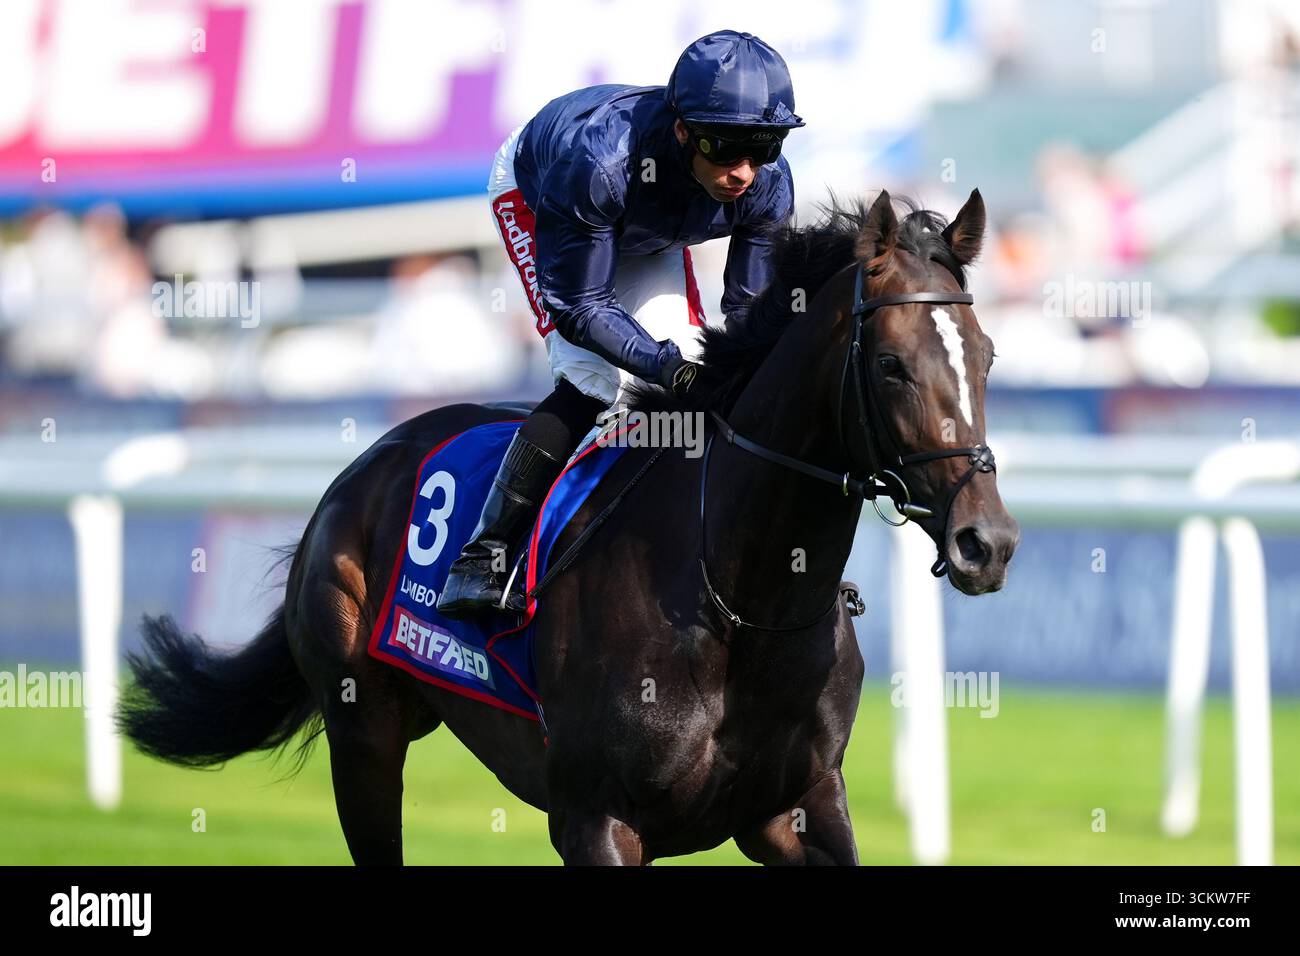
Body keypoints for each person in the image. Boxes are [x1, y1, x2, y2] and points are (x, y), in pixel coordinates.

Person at [436, 29, 804, 618]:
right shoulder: (600, 162)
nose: (743, 173)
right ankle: (485, 554)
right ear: (684, 130)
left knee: (700, 377)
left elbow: (747, 314)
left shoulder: (769, 184)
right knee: (596, 380)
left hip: (645, 221)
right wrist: (662, 365)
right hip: (544, 195)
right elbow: (580, 308)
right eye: (726, 148)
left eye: (763, 148)